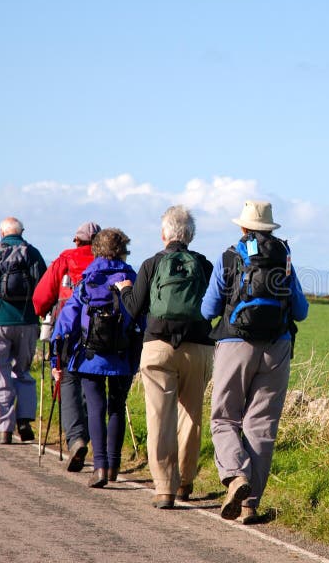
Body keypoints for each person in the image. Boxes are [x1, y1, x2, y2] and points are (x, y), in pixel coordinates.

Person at [201, 200, 308, 523]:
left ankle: (236, 476)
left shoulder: (229, 257)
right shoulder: (284, 258)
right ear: (270, 228)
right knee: (261, 425)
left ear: (243, 226)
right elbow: (301, 310)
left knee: (224, 418)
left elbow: (208, 310)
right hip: (277, 346)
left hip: (234, 344)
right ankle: (250, 506)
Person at [116, 205, 214, 509]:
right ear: (191, 236)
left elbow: (134, 308)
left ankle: (164, 488)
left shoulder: (151, 264)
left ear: (163, 235)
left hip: (158, 346)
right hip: (198, 346)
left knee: (159, 417)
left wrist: (125, 289)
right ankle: (184, 481)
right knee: (191, 416)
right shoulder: (205, 265)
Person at [51, 228, 143, 488]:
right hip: (123, 355)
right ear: (123, 250)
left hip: (90, 356)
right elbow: (142, 318)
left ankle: (100, 467)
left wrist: (56, 355)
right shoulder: (132, 279)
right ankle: (113, 466)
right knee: (117, 407)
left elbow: (67, 320)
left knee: (95, 408)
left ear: (97, 250)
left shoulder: (87, 280)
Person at [0, 217, 47, 444]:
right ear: (22, 232)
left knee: (1, 374)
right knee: (23, 372)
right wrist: (42, 316)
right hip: (27, 323)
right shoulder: (33, 253)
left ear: (2, 233)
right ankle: (24, 420)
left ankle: (5, 428)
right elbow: (45, 287)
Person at [32, 221, 100, 472]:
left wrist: (42, 311)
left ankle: (76, 439)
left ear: (77, 240)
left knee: (68, 381)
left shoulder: (65, 259)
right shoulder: (106, 261)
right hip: (100, 334)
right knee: (93, 383)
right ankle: (91, 440)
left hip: (68, 331)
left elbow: (41, 298)